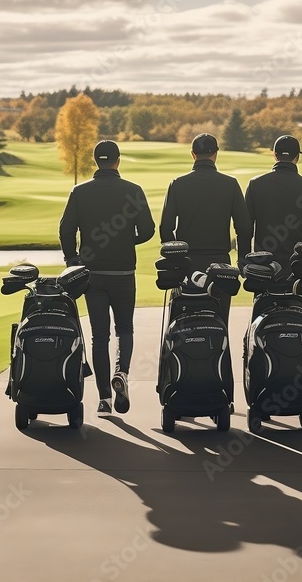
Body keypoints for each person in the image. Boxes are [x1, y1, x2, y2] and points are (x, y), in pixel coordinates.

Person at [59, 140, 155, 415]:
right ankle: (121, 373)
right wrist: (126, 240)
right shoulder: (133, 190)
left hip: (92, 274)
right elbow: (148, 230)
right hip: (123, 273)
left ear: (95, 160)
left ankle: (104, 399)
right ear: (117, 160)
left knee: (99, 336)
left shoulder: (80, 192)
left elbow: (66, 230)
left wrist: (72, 260)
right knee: (124, 329)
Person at [159, 133, 251, 325]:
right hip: (220, 264)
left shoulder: (178, 184)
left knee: (183, 322)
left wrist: (175, 259)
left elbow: (166, 228)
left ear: (193, 154)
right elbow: (243, 228)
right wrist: (242, 260)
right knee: (219, 323)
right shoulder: (230, 184)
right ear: (215, 154)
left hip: (186, 264)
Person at [244, 135, 302, 280]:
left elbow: (246, 228)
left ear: (275, 155)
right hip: (297, 267)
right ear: (297, 157)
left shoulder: (256, 184)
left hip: (264, 267)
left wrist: (246, 261)